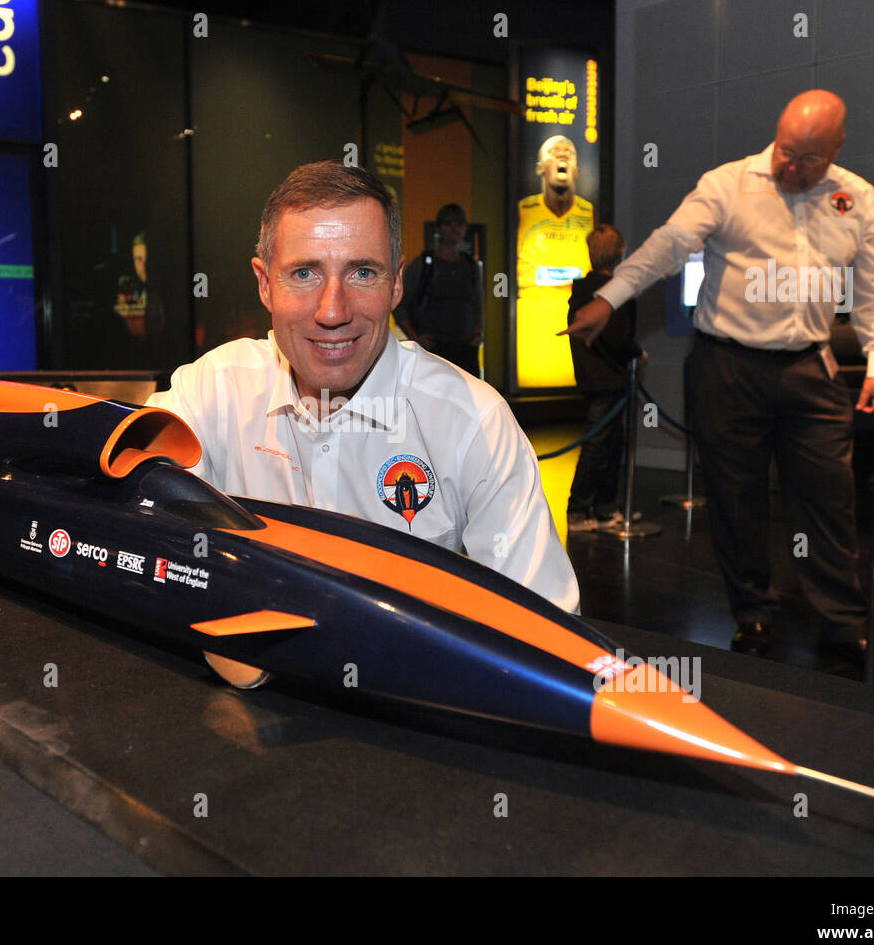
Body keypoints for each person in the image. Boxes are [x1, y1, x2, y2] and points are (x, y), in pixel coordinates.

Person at [145, 161, 578, 614]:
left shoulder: (473, 421)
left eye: (363, 273)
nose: (332, 311)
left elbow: (546, 623)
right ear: (264, 284)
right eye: (304, 274)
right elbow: (132, 527)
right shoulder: (212, 391)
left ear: (396, 285)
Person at [566, 90, 874, 663]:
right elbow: (667, 247)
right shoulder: (727, 184)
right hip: (728, 367)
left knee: (830, 500)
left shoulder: (858, 199)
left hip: (809, 366)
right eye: (786, 150)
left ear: (837, 149)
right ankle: (753, 617)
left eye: (808, 158)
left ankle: (845, 627)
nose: (790, 166)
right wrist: (608, 298)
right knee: (736, 500)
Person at [561, 224, 643, 531]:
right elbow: (618, 337)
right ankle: (579, 510)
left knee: (608, 443)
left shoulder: (579, 292)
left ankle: (605, 509)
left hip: (593, 377)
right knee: (600, 444)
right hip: (609, 378)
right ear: (621, 252)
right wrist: (636, 352)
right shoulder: (614, 294)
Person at [394, 203, 483, 377]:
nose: (454, 228)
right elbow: (399, 304)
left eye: (459, 224)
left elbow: (477, 303)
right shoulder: (423, 264)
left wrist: (477, 334)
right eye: (448, 223)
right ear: (439, 228)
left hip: (466, 349)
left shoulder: (471, 266)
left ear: (465, 228)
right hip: (433, 348)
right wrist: (416, 338)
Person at [517, 135, 596, 295]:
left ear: (576, 170)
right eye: (554, 151)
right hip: (532, 308)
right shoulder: (523, 210)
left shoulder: (590, 213)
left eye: (569, 152)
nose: (563, 155)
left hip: (577, 309)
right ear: (540, 168)